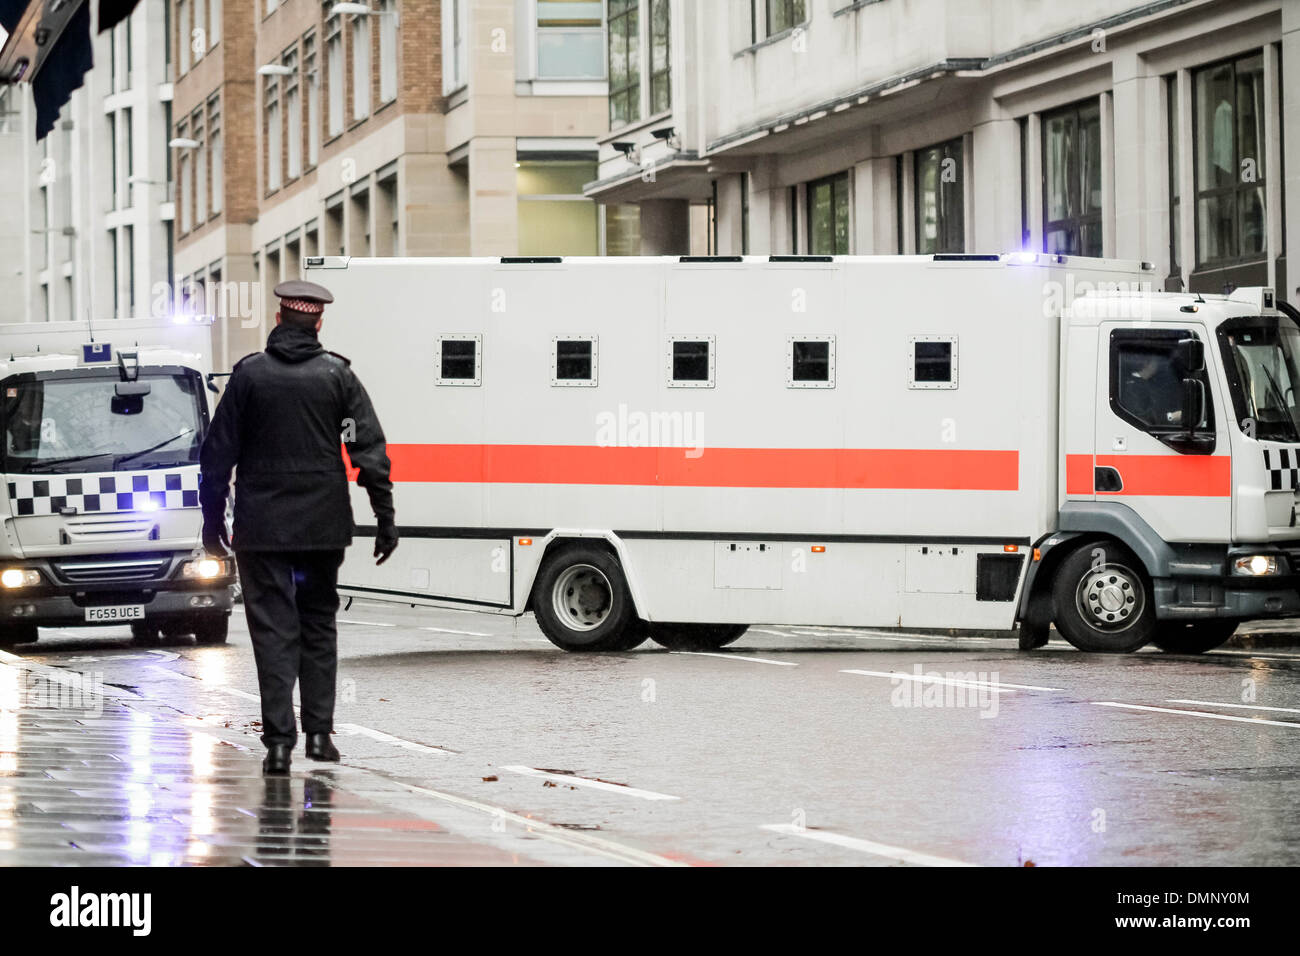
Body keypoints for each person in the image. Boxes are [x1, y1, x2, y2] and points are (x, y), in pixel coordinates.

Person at [199, 280, 398, 776]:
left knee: (272, 632)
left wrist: (211, 520)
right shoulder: (338, 376)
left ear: (279, 319)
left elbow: (217, 455)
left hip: (261, 531)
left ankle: (278, 746)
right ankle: (319, 736)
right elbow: (368, 448)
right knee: (318, 626)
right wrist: (384, 515)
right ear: (318, 323)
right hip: (320, 529)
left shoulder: (247, 377)